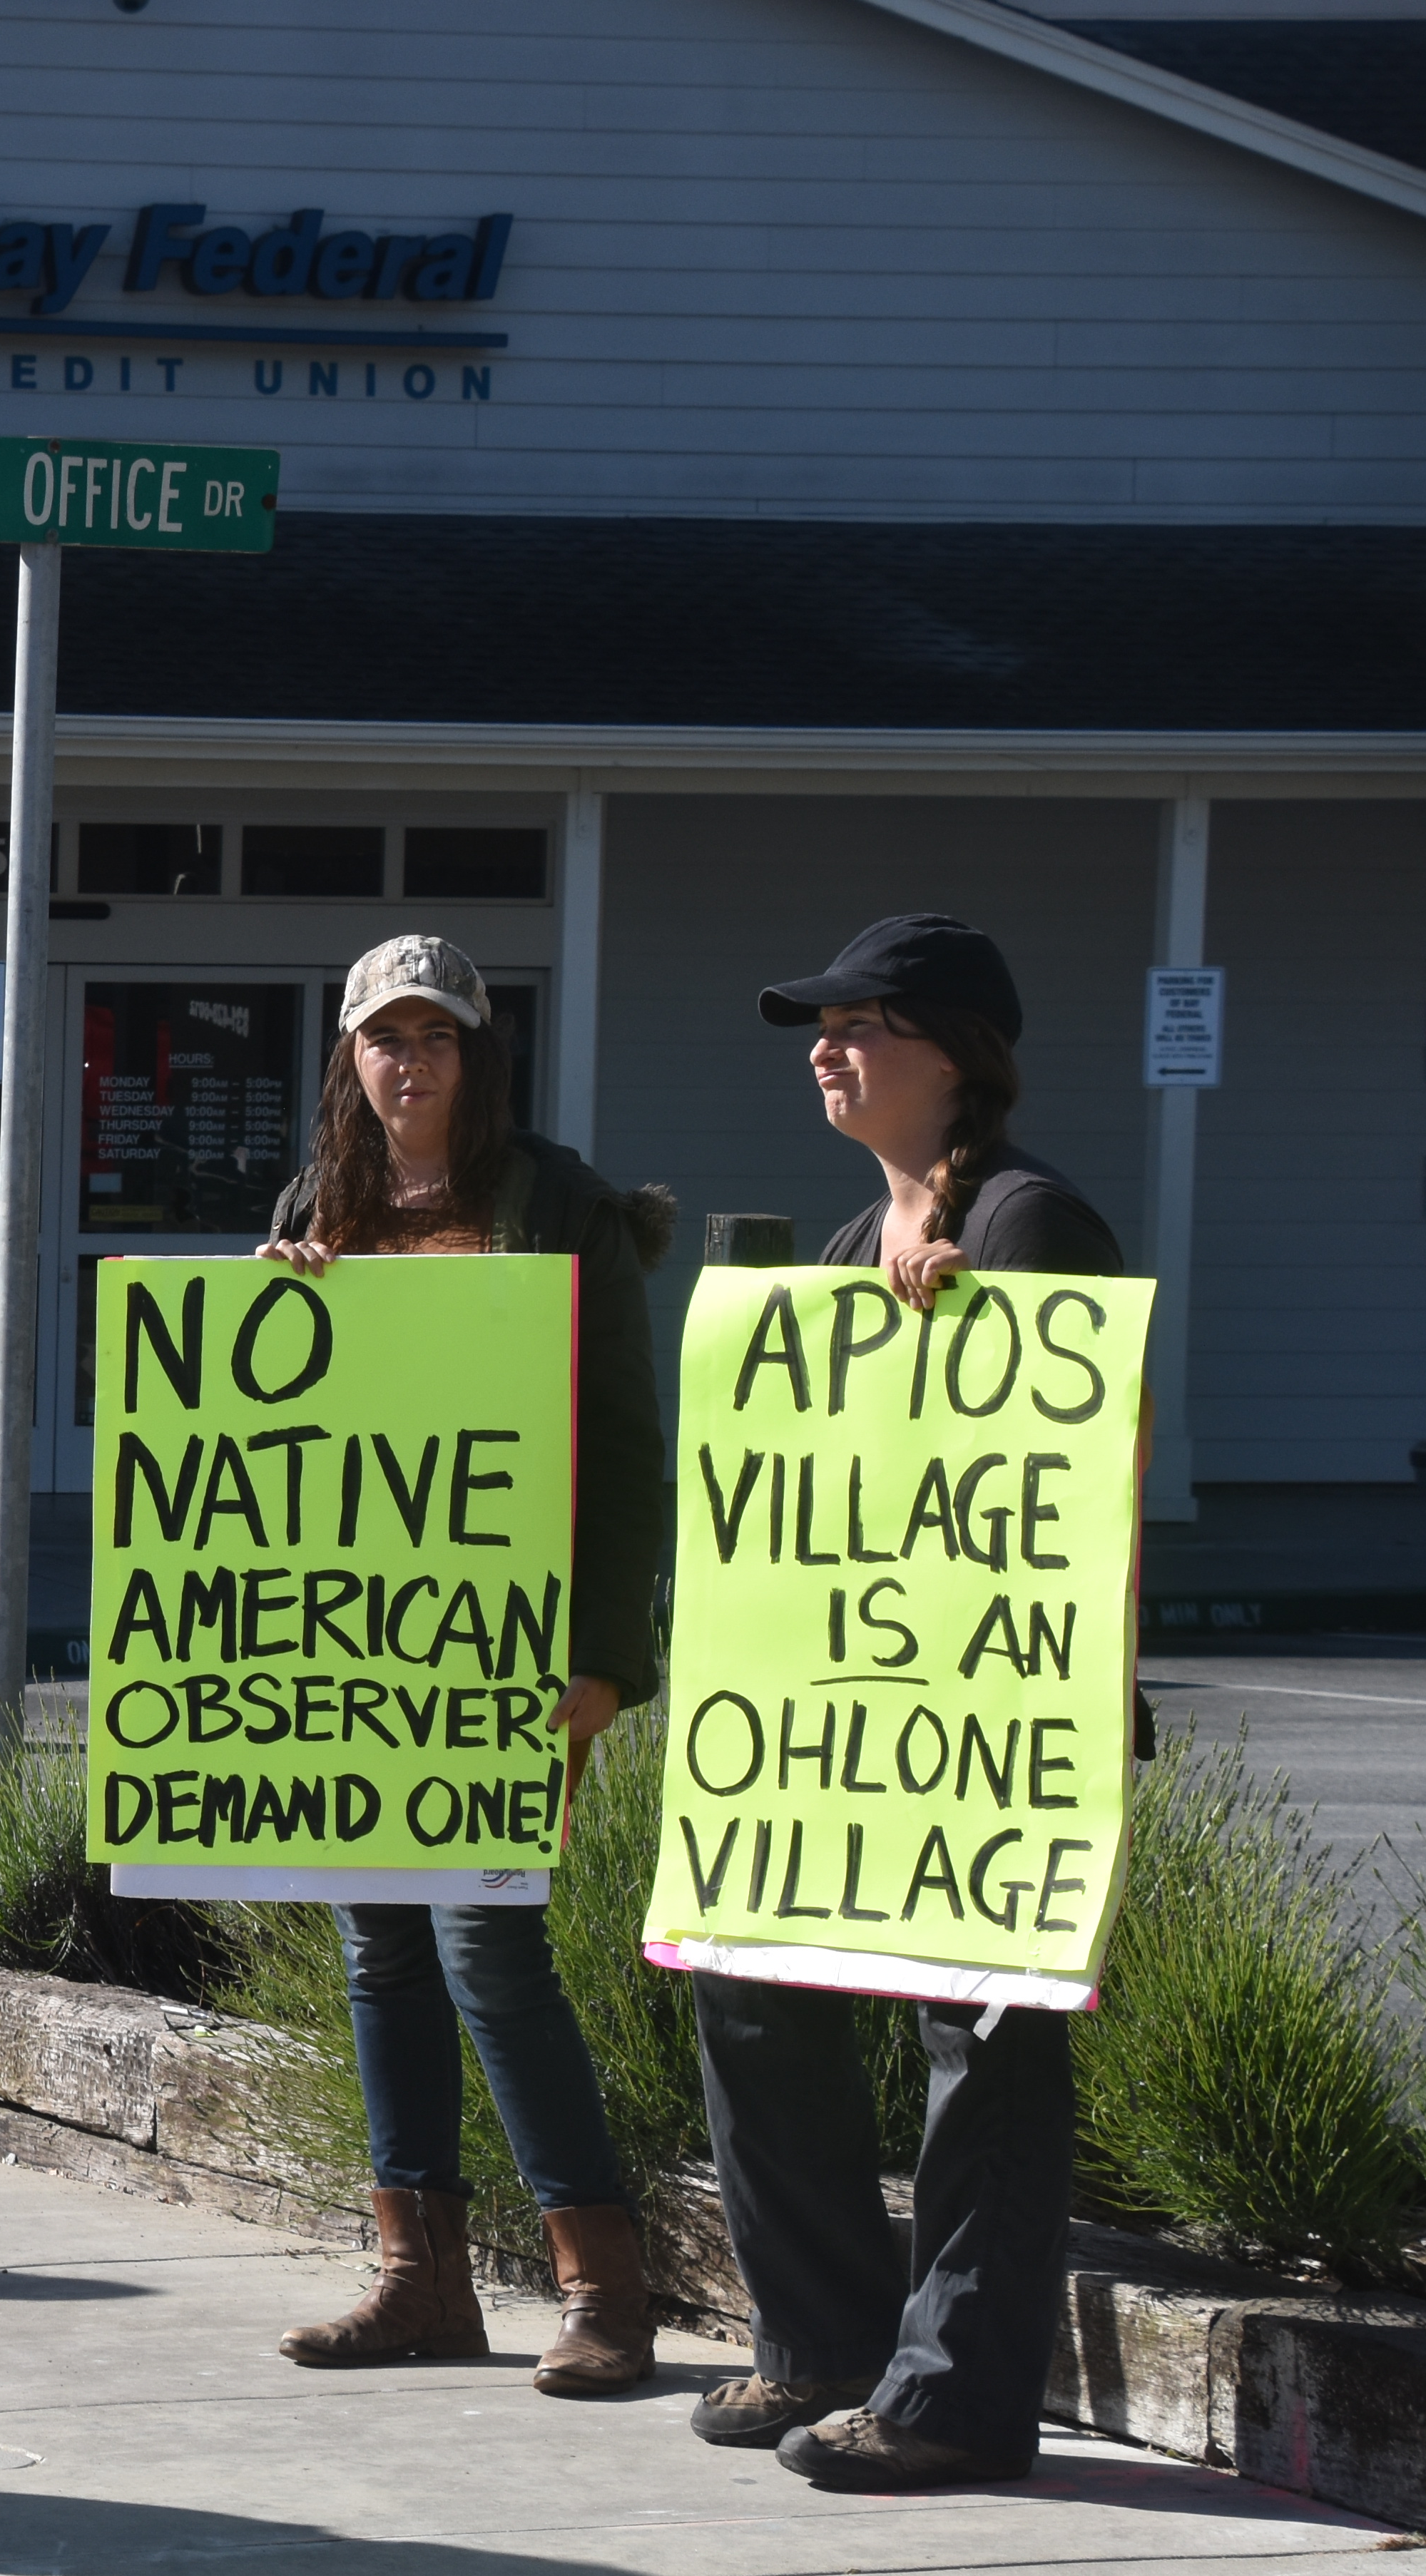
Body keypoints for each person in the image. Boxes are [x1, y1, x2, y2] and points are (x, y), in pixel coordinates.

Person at [693, 911, 1124, 2493]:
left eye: (863, 1022)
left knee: (984, 2038)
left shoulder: (1030, 1223)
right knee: (749, 1983)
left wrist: (964, 1336)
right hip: (846, 1716)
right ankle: (821, 2338)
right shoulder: (830, 1252)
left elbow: (1067, 1479)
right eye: (819, 1022)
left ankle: (953, 2393)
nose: (827, 1045)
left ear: (953, 1054)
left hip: (995, 1720)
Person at [245, 936, 676, 2396]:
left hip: (513, 1646)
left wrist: (604, 1663)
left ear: (478, 1055)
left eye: (435, 1035)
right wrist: (272, 1305)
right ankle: (418, 2277)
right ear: (350, 1059)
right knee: (379, 1944)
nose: (408, 1061)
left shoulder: (558, 1206)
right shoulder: (325, 1203)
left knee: (490, 1945)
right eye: (383, 1036)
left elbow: (625, 1452)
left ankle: (603, 2287)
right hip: (369, 1649)